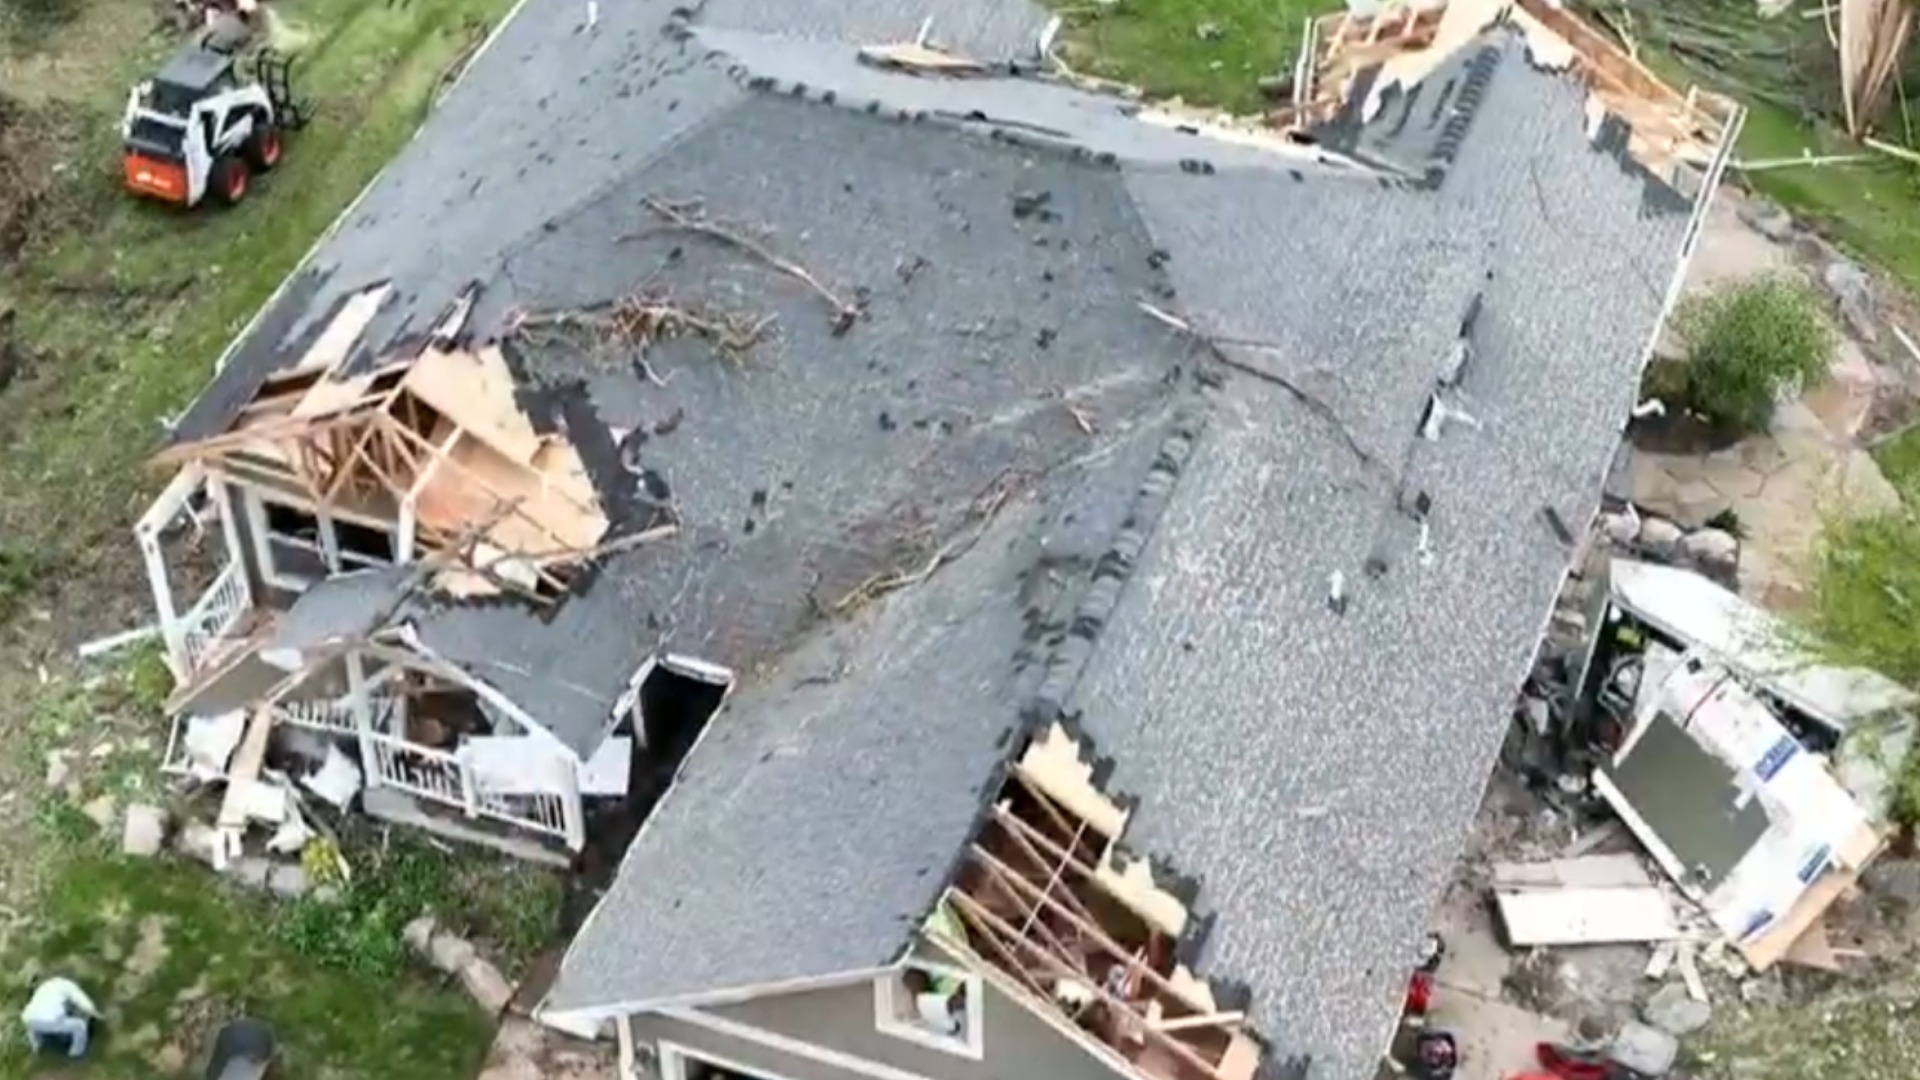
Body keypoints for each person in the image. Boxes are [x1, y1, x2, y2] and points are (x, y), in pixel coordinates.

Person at [21, 976, 98, 1058]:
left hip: (29, 1019)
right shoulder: (69, 986)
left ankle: (37, 1047)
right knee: (80, 1026)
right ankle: (75, 1054)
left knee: (34, 1024)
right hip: (49, 1020)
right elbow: (84, 1002)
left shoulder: (46, 985)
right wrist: (94, 1012)